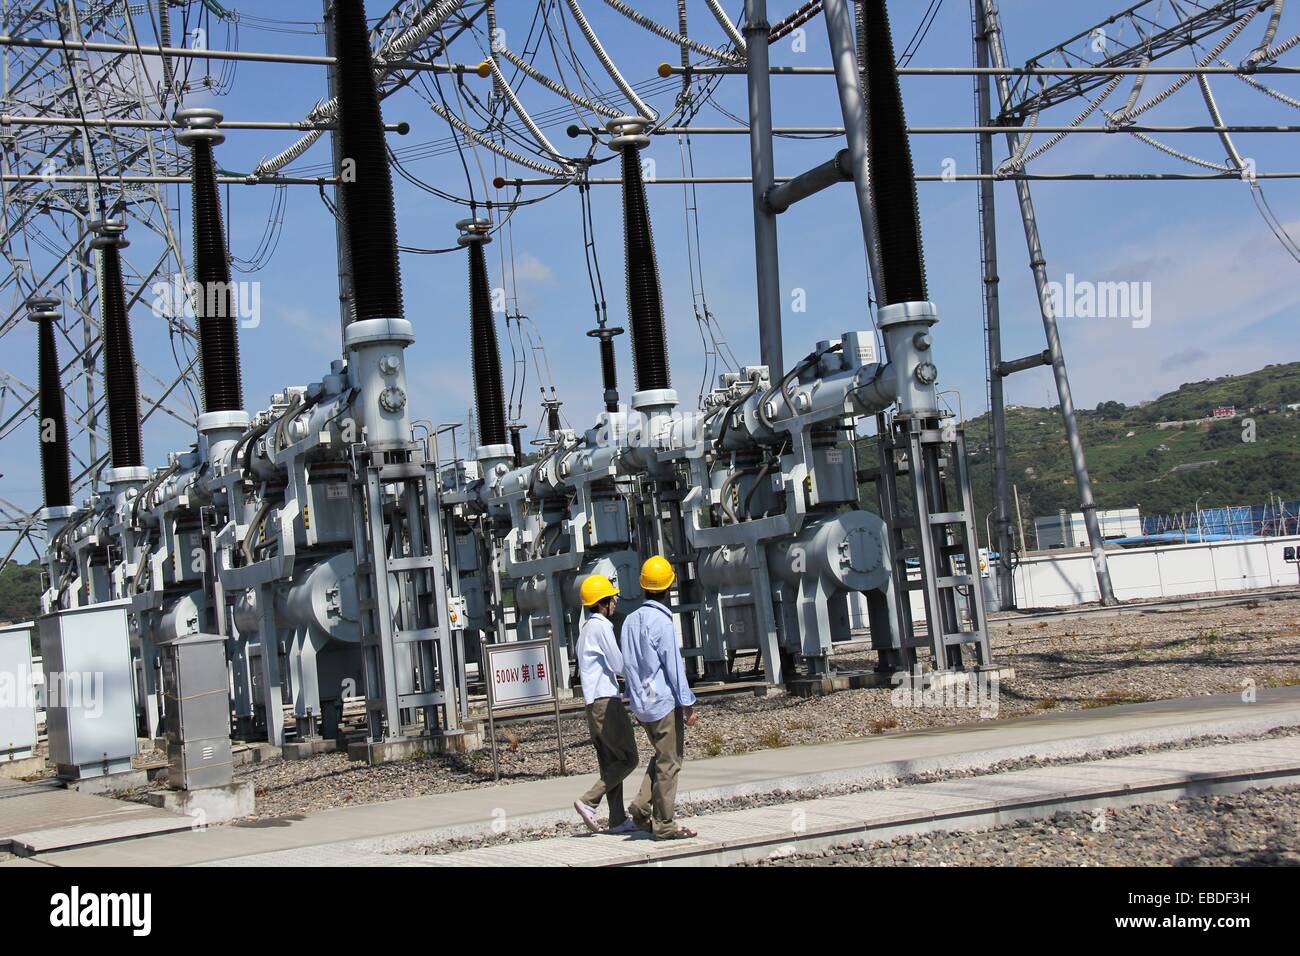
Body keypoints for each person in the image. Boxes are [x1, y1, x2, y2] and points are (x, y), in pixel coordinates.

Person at [621, 555, 699, 840]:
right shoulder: (662, 622)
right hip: (663, 702)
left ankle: (641, 806)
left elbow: (627, 665)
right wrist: (687, 702)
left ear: (643, 586)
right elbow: (673, 666)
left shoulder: (629, 622)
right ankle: (664, 824)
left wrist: (634, 699)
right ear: (668, 587)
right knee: (670, 761)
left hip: (641, 704)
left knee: (661, 754)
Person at [573, 573, 640, 834]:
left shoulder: (585, 629)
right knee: (629, 759)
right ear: (602, 602)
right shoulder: (602, 626)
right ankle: (589, 801)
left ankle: (617, 819)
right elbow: (617, 664)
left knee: (611, 763)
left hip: (592, 704)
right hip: (606, 702)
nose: (615, 602)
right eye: (612, 598)